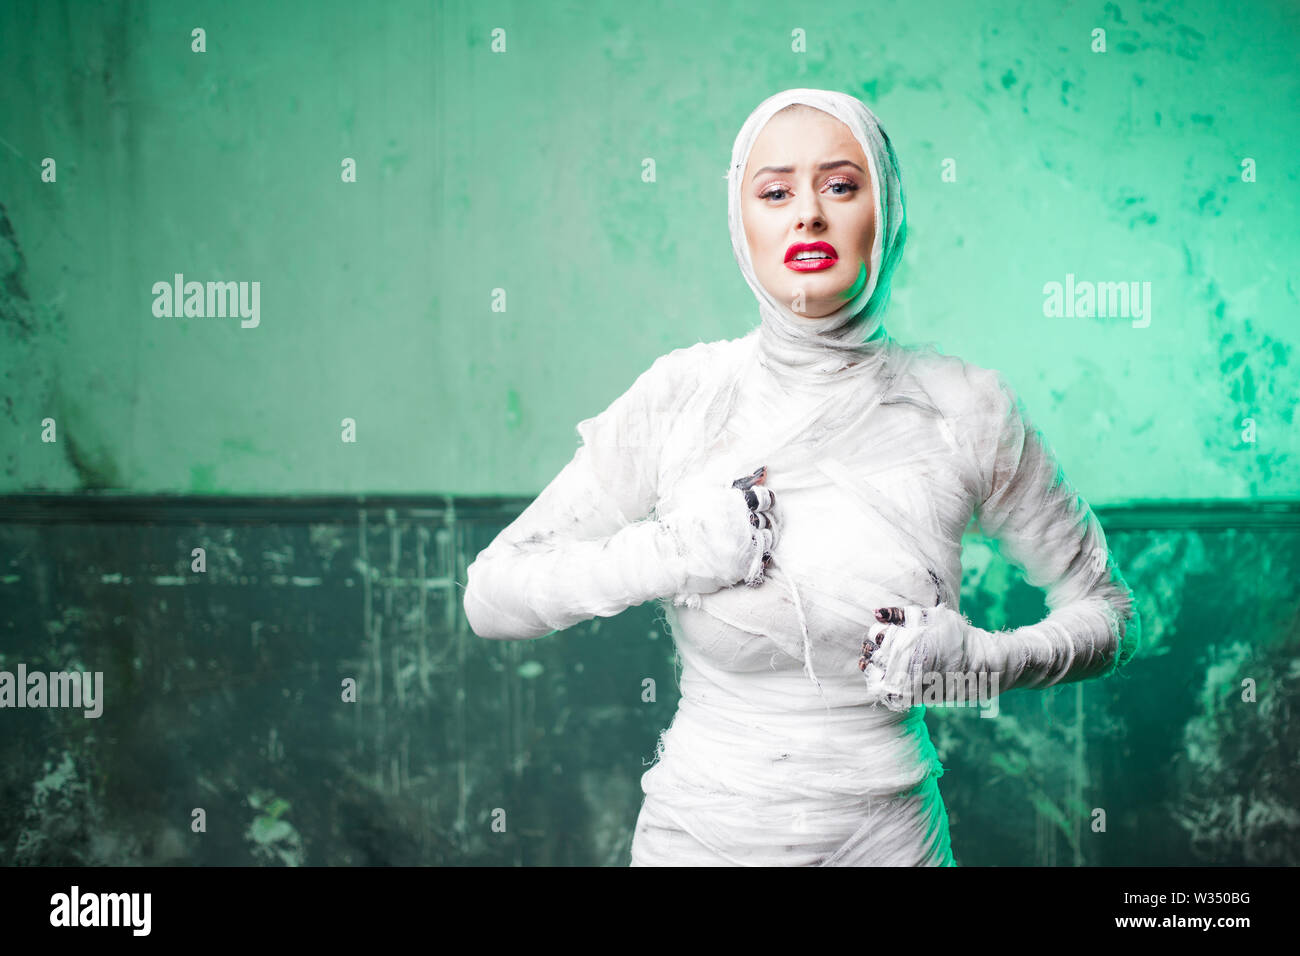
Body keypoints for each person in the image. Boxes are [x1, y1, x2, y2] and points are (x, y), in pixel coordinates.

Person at [462, 88, 1141, 866]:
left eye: (841, 186)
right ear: (739, 224)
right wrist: (676, 552)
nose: (808, 215)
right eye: (775, 192)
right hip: (699, 835)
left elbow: (1113, 615)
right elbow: (492, 597)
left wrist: (982, 665)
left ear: (885, 212)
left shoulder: (965, 408)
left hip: (889, 844)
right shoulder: (684, 397)